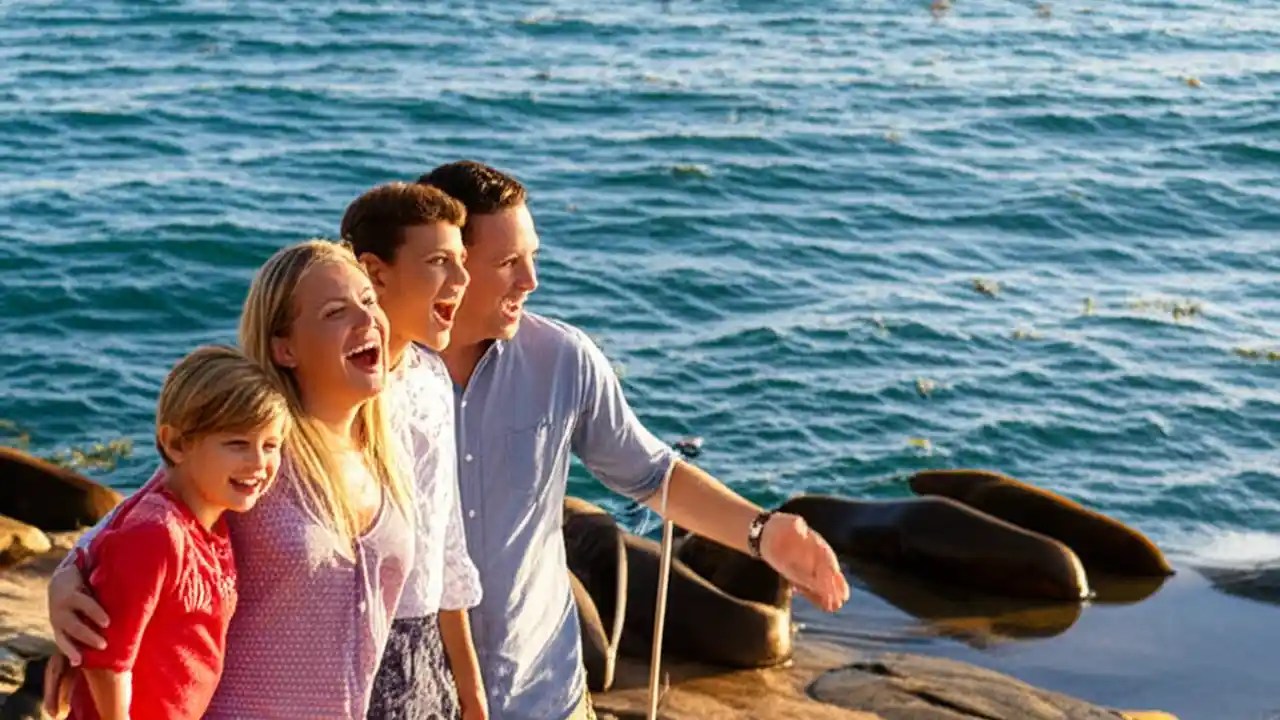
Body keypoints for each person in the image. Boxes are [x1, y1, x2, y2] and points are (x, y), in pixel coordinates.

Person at [415, 161, 851, 720]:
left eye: (532, 257)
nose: (531, 280)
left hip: (547, 695)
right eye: (507, 263)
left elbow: (653, 475)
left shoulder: (563, 361)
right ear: (447, 264)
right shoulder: (375, 378)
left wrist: (763, 534)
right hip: (415, 701)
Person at [49, 240, 419, 719]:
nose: (367, 320)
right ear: (284, 348)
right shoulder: (257, 457)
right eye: (335, 312)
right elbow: (138, 522)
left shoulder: (386, 454)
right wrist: (66, 578)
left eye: (369, 301)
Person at [68, 345, 289, 720]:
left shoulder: (214, 526)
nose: (259, 463)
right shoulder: (156, 534)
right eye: (237, 444)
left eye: (271, 445)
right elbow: (107, 659)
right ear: (175, 443)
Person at [340, 181, 487, 720]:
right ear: (376, 273)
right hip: (350, 651)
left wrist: (469, 690)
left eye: (463, 261)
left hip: (424, 652)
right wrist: (84, 566)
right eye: (440, 261)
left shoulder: (429, 380)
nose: (463, 279)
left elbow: (445, 544)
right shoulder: (325, 389)